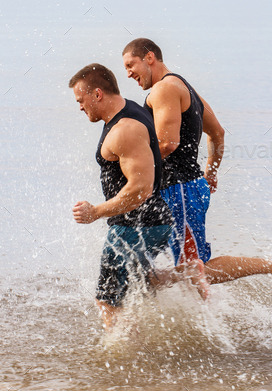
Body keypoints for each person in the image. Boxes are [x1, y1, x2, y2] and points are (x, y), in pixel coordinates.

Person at [122, 38, 272, 296]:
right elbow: (217, 132)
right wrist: (211, 173)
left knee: (195, 268)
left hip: (179, 189)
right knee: (172, 268)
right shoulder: (184, 86)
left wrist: (128, 172)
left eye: (131, 64)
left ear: (150, 57)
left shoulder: (163, 90)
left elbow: (167, 144)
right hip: (184, 188)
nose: (128, 73)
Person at [69, 63, 174, 331]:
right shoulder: (126, 114)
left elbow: (141, 188)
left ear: (97, 94)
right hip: (149, 223)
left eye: (81, 100)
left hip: (134, 227)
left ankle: (120, 360)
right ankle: (187, 276)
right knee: (144, 284)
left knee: (107, 301)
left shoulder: (124, 129)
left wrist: (97, 211)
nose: (80, 107)